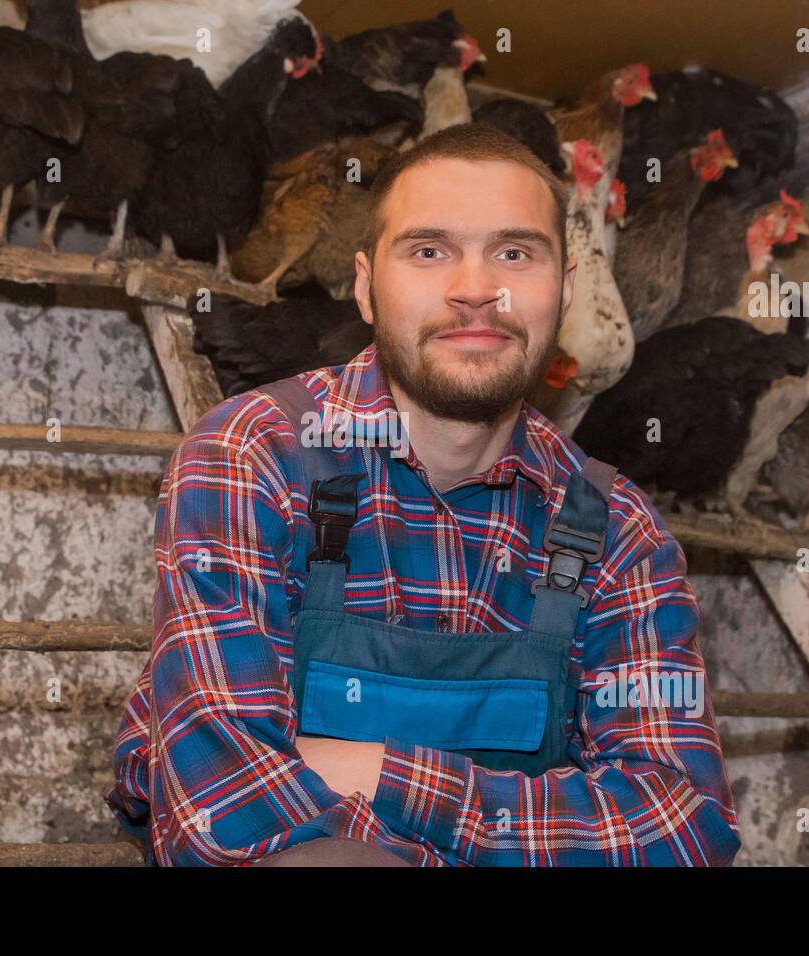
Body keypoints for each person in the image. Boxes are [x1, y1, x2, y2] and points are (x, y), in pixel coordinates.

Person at [106, 122, 741, 867]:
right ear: (365, 288)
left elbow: (685, 827)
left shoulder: (615, 529)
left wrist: (378, 772)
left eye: (514, 253)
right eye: (429, 251)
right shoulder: (254, 456)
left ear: (564, 292)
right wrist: (516, 834)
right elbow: (222, 815)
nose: (475, 290)